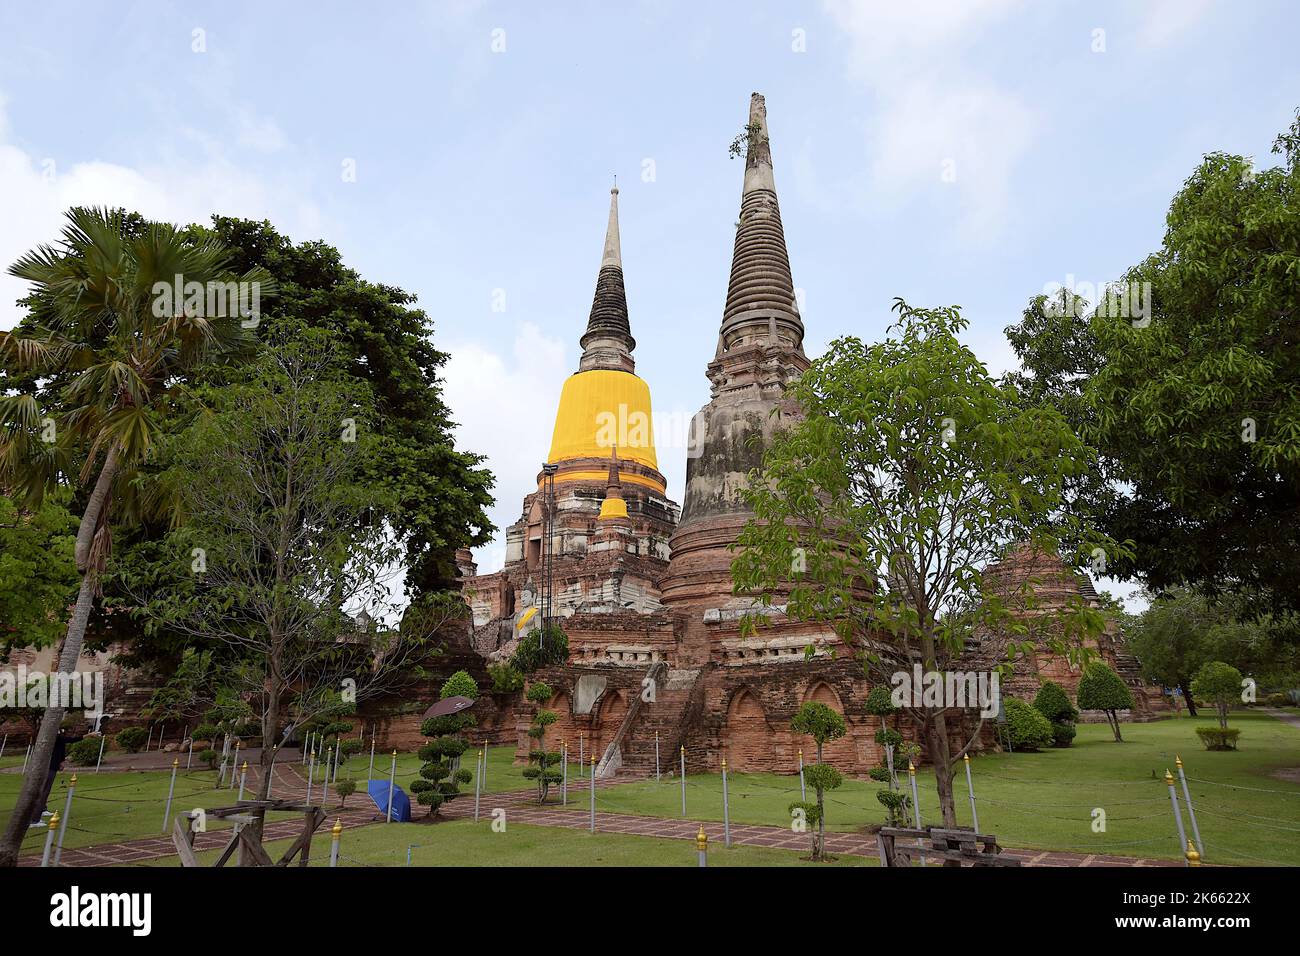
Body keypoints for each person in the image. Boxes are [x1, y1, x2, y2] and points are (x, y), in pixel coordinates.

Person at [29, 728, 85, 826]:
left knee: (45, 790)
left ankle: (42, 809)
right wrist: (87, 736)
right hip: (48, 767)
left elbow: (61, 747)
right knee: (44, 791)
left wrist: (62, 760)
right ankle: (34, 819)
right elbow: (70, 740)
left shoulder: (58, 737)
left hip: (53, 766)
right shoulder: (54, 737)